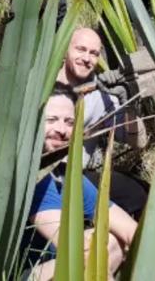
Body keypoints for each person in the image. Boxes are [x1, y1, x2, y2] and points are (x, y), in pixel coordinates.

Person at [23, 87, 139, 280]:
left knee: (111, 239)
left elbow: (131, 231)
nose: (61, 130)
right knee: (88, 257)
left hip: (52, 265)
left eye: (69, 122)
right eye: (51, 120)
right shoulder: (30, 179)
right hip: (20, 274)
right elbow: (77, 252)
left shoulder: (65, 175)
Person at [54, 28, 149, 218]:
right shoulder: (42, 84)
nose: (86, 58)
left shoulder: (102, 95)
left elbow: (139, 142)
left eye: (93, 53)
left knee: (139, 194)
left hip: (77, 177)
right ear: (65, 49)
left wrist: (128, 104)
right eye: (80, 49)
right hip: (41, 175)